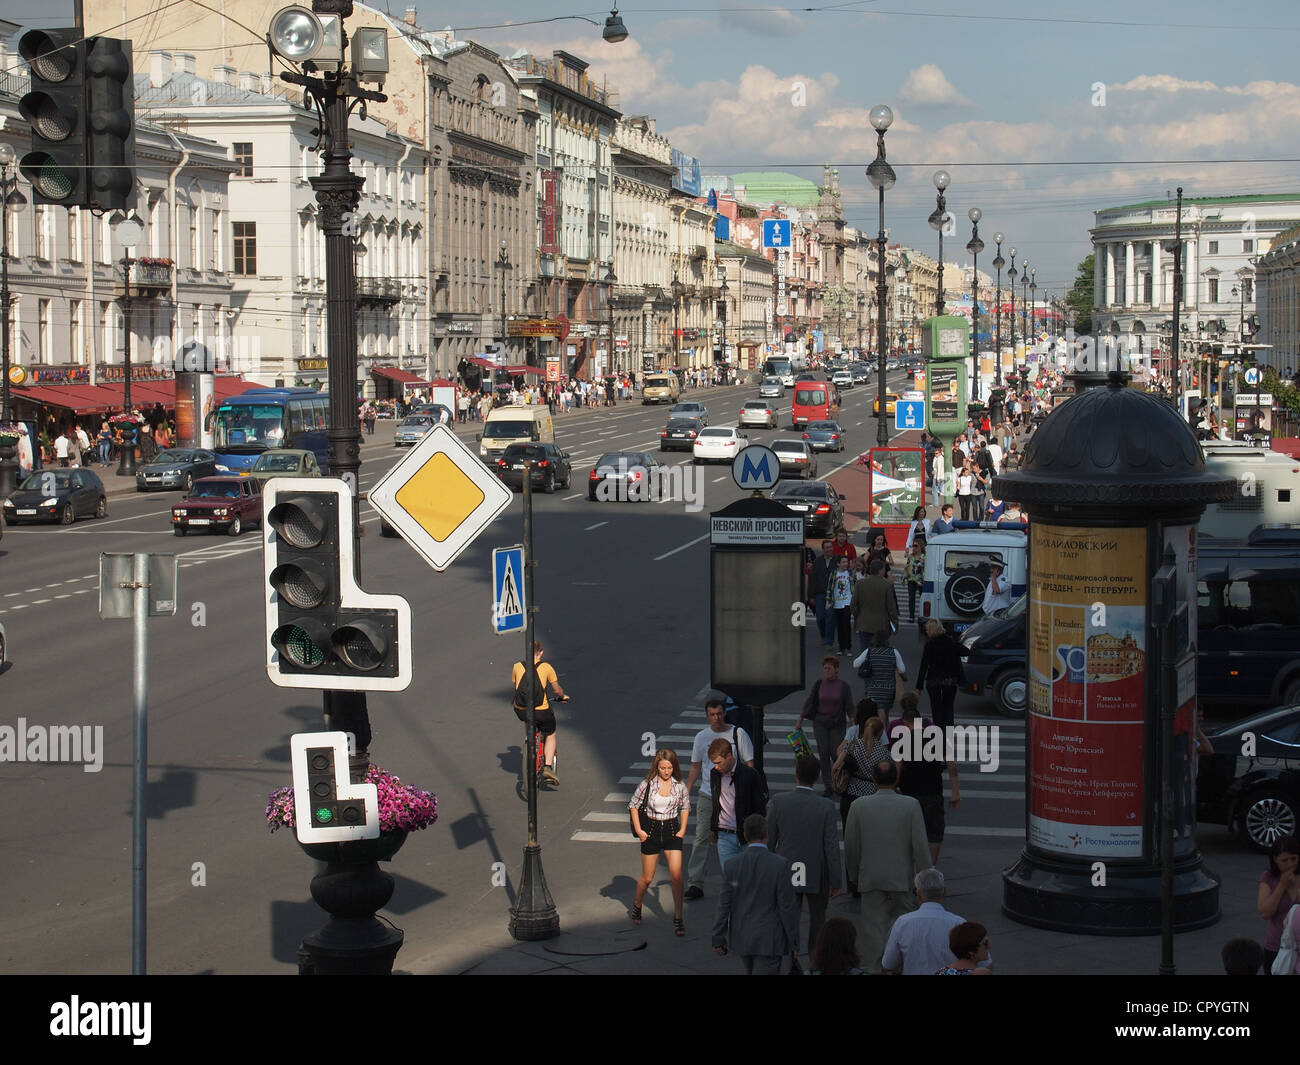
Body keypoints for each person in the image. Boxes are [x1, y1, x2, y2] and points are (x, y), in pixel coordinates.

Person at [843, 761, 931, 973]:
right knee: (903, 926)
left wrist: (854, 875)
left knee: (872, 930)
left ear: (873, 780)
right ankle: (900, 967)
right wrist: (925, 879)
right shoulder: (911, 805)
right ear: (896, 779)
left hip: (871, 877)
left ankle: (873, 968)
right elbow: (920, 846)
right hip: (901, 877)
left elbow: (851, 847)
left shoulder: (858, 806)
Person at [767, 755, 843, 954]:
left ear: (796, 775)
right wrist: (836, 879)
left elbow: (770, 840)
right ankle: (815, 958)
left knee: (788, 917)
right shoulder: (826, 806)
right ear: (817, 777)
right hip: (817, 871)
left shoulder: (778, 802)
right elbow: (831, 846)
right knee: (818, 919)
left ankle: (790, 955)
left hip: (788, 868)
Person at [684, 699, 755, 901]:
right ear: (707, 716)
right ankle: (695, 882)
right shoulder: (701, 737)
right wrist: (687, 790)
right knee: (701, 837)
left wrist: (749, 790)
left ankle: (742, 880)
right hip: (708, 793)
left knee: (739, 836)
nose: (716, 718)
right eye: (712, 715)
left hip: (735, 794)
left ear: (725, 714)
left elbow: (749, 764)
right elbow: (696, 766)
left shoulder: (737, 734)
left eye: (719, 714)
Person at [711, 813, 800, 975]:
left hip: (742, 936)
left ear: (745, 835)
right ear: (767, 834)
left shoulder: (731, 865)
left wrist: (718, 937)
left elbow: (724, 905)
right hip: (770, 939)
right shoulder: (780, 865)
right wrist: (793, 942)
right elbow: (787, 908)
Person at [890, 692, 960, 864]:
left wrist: (893, 787)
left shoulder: (903, 741)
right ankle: (930, 867)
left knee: (911, 831)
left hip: (909, 793)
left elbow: (898, 769)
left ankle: (913, 867)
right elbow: (951, 766)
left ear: (906, 724)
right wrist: (956, 793)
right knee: (934, 832)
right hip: (933, 792)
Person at [628, 748, 691, 936]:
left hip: (672, 830)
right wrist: (640, 830)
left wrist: (682, 830)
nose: (666, 771)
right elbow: (633, 805)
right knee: (647, 878)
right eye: (663, 768)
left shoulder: (679, 786)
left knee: (677, 876)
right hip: (652, 831)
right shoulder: (647, 784)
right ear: (657, 767)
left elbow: (685, 807)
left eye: (669, 768)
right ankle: (637, 904)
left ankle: (678, 918)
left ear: (674, 767)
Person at [882, 868, 969, 975]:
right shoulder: (959, 923)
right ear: (944, 892)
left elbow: (888, 964)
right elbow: (983, 963)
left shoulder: (903, 922)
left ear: (918, 894)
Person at [510, 640, 569, 786]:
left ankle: (528, 738)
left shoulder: (517, 666)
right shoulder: (546, 667)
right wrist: (562, 696)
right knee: (550, 733)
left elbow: (517, 686)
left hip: (521, 709)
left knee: (528, 719)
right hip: (541, 710)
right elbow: (556, 690)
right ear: (541, 652)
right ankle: (548, 767)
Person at [796, 656, 854, 797]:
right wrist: (800, 719)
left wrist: (854, 723)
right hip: (820, 722)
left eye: (829, 668)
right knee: (823, 755)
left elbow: (849, 706)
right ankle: (829, 786)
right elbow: (810, 701)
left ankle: (841, 782)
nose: (827, 671)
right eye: (825, 668)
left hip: (837, 723)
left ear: (836, 670)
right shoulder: (819, 684)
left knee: (836, 754)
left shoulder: (843, 686)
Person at [708, 738, 768, 874]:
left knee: (749, 877)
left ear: (729, 756)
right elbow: (716, 802)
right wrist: (713, 828)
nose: (716, 767)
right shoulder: (715, 774)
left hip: (747, 835)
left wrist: (759, 835)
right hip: (724, 834)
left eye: (718, 762)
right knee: (730, 879)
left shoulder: (749, 774)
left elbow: (759, 807)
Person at [834, 712, 886, 828]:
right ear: (880, 733)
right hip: (873, 798)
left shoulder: (852, 746)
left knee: (849, 834)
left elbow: (836, 767)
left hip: (850, 796)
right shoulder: (884, 754)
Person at [1258, 835, 1299, 974]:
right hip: (1276, 947)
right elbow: (1265, 912)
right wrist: (1281, 885)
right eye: (1284, 860)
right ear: (1275, 859)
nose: (1290, 864)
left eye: (1293, 859)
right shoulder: (1269, 877)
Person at [916, 618, 965, 729]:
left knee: (936, 709)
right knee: (948, 708)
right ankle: (948, 734)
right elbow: (965, 651)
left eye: (927, 630)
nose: (926, 632)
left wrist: (919, 687)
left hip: (933, 680)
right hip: (950, 680)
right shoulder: (950, 641)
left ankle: (938, 733)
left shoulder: (929, 644)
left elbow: (924, 666)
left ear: (932, 630)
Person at [855, 629, 906, 719]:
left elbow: (855, 664)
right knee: (885, 712)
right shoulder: (894, 652)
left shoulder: (869, 651)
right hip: (889, 687)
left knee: (878, 710)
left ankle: (880, 730)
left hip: (873, 687)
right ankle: (885, 730)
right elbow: (902, 669)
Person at [851, 559, 898, 653]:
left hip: (864, 624)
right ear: (880, 571)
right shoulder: (887, 585)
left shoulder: (860, 584)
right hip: (881, 625)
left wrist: (859, 616)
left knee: (865, 653)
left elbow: (853, 605)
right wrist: (895, 624)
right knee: (881, 652)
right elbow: (891, 608)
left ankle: (865, 667)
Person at [806, 538, 837, 651]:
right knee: (820, 618)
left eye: (830, 547)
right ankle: (823, 635)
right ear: (823, 549)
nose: (829, 549)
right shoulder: (817, 562)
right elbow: (812, 579)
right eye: (827, 547)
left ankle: (829, 641)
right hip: (819, 594)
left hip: (832, 596)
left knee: (830, 619)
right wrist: (811, 596)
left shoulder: (837, 560)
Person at [827, 555, 855, 655]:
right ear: (838, 563)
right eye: (843, 562)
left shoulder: (850, 573)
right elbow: (829, 588)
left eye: (847, 562)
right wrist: (828, 601)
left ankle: (848, 647)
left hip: (847, 602)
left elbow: (853, 587)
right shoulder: (834, 573)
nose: (846, 564)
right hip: (837, 603)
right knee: (839, 626)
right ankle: (841, 647)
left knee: (846, 624)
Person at [904, 537, 925, 621]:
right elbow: (907, 567)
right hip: (911, 579)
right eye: (913, 546)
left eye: (916, 546)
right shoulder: (910, 557)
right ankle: (911, 616)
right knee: (911, 598)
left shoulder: (924, 557)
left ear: (921, 547)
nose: (914, 548)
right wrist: (904, 577)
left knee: (922, 598)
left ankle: (922, 615)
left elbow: (926, 568)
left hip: (921, 580)